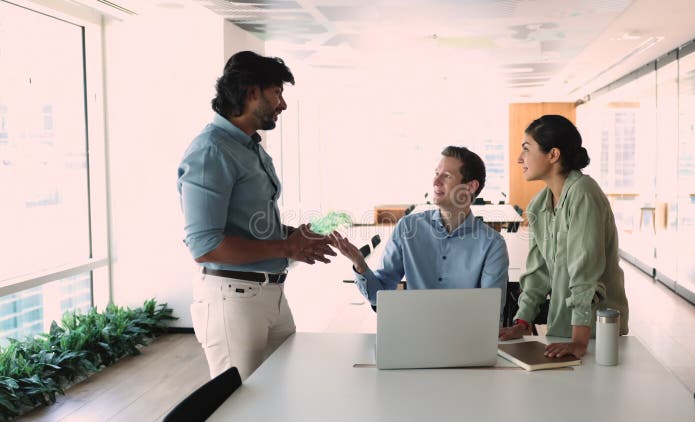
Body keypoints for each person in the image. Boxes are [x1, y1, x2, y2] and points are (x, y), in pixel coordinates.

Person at [177, 51, 337, 380]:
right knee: (241, 407)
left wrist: (292, 236)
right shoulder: (211, 151)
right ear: (252, 93)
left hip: (270, 294)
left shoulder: (249, 146)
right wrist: (285, 248)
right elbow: (205, 246)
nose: (283, 105)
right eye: (277, 93)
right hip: (232, 300)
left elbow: (249, 223)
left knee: (284, 392)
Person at [498, 115, 629, 359]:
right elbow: (538, 272)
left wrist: (579, 342)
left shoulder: (583, 194)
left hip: (596, 334)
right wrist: (522, 322)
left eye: (526, 149)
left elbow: (585, 272)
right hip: (564, 331)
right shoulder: (539, 204)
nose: (519, 158)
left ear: (553, 155)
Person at [334, 146, 509, 313]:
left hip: (465, 338)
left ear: (471, 187)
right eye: (436, 173)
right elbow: (378, 296)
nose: (435, 181)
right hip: (415, 334)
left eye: (446, 176)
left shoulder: (492, 244)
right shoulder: (408, 228)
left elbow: (490, 313)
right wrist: (360, 265)